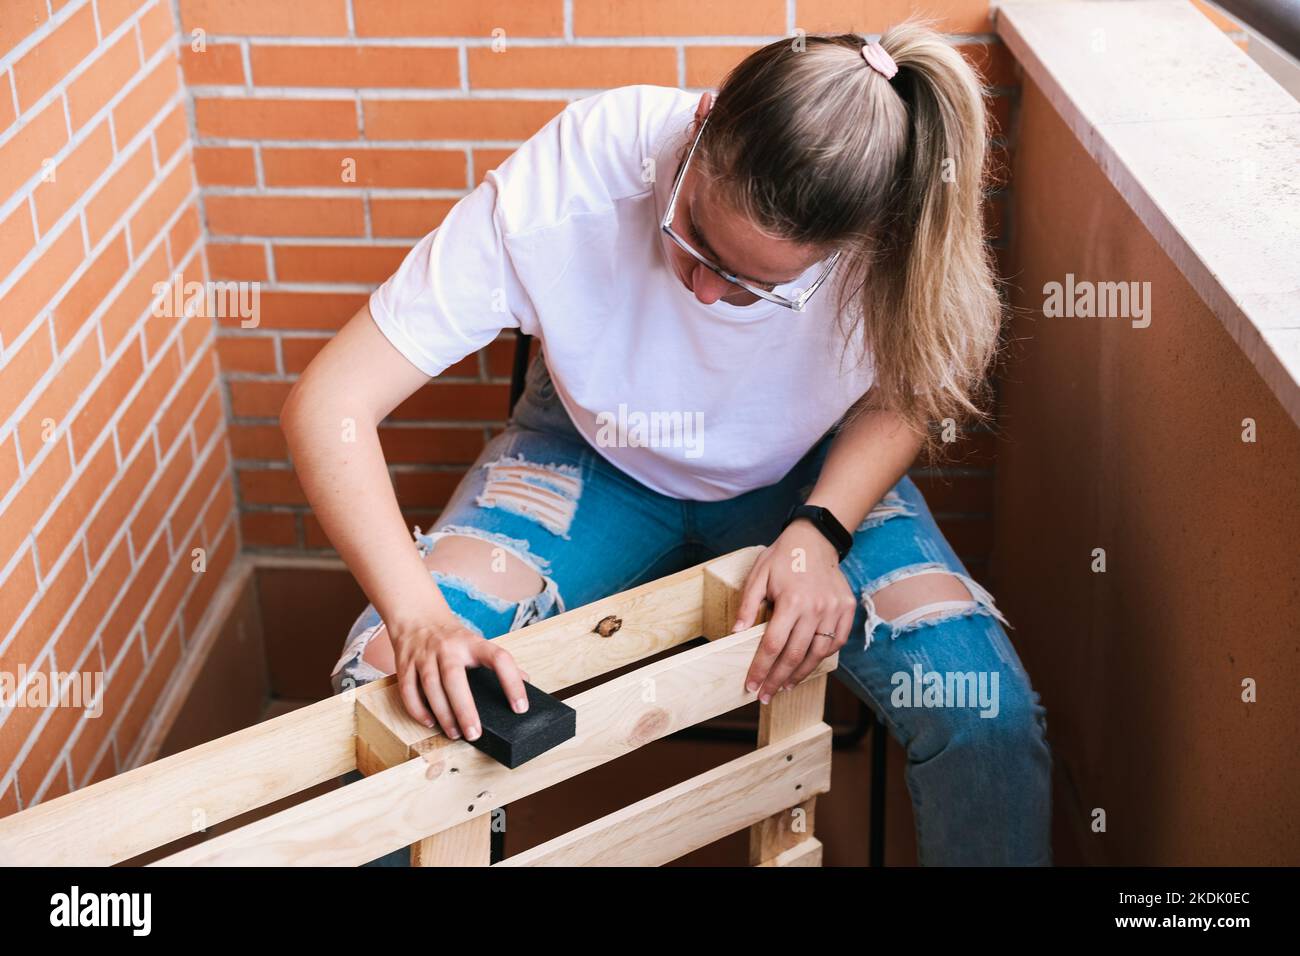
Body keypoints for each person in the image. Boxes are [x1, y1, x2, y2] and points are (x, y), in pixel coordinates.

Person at [281, 22, 1052, 866]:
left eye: (760, 285)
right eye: (697, 240)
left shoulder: (903, 226)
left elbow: (909, 391)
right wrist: (419, 617)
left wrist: (823, 529)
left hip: (809, 477)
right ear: (702, 124)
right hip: (585, 457)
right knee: (400, 698)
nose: (708, 292)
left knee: (988, 721)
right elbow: (330, 404)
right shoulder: (573, 174)